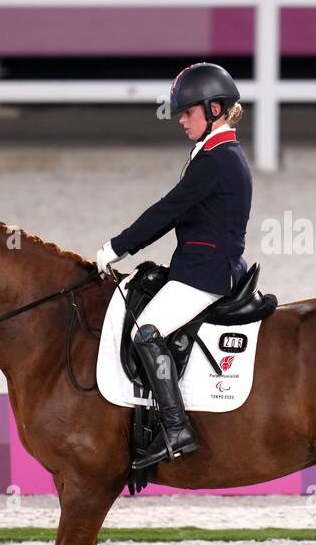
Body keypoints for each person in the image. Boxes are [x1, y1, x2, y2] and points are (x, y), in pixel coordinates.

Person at [98, 63, 252, 469]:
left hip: (206, 273)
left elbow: (167, 210)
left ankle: (176, 427)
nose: (180, 118)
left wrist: (117, 246)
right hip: (202, 265)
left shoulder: (217, 159)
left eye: (188, 111)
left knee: (145, 332)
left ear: (215, 109)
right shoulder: (214, 152)